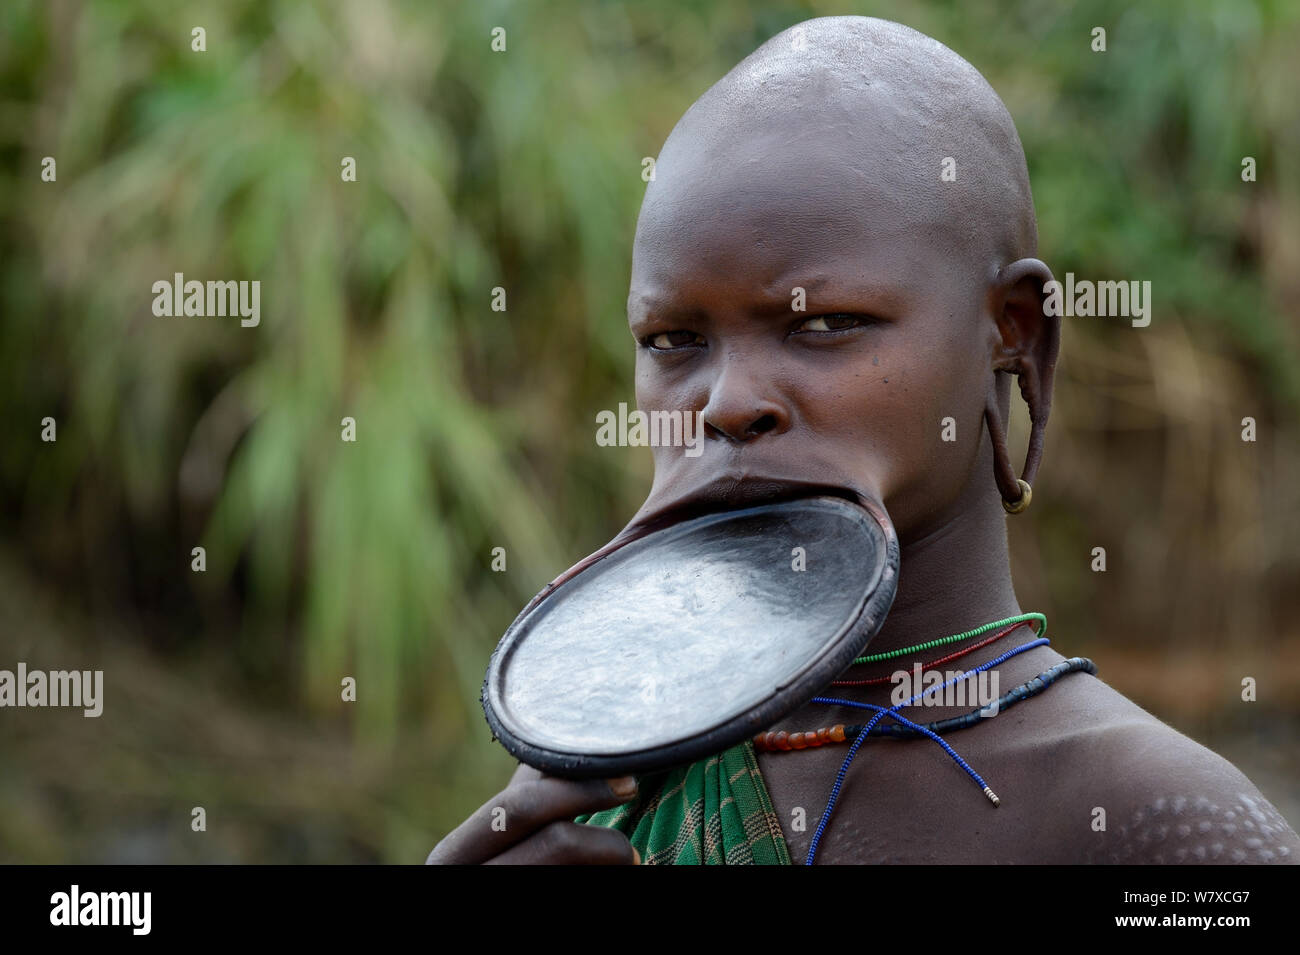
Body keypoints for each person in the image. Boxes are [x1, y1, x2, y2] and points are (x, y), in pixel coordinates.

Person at [427, 15, 1299, 864]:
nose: (729, 402)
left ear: (1015, 334)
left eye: (824, 324)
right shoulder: (604, 794)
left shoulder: (1166, 826)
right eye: (672, 341)